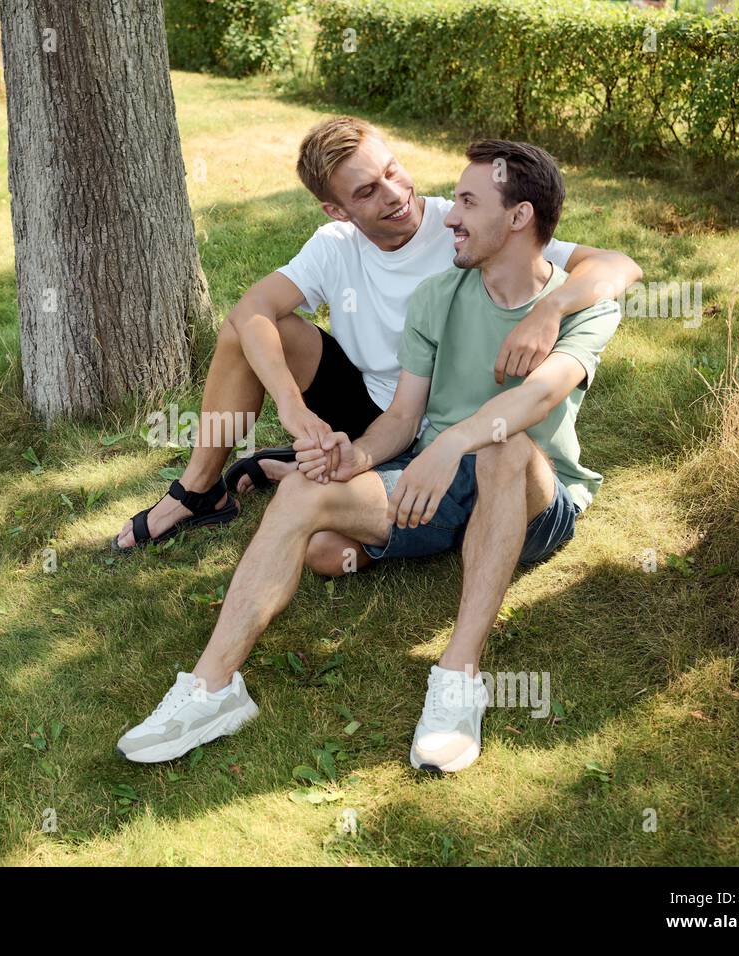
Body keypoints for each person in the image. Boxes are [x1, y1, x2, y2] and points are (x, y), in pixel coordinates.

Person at [117, 140, 622, 774]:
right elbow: (403, 418)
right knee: (305, 492)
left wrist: (454, 442)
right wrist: (349, 457)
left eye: (465, 202)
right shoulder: (438, 296)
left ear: (519, 218)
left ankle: (458, 678)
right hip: (438, 479)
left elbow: (539, 397)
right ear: (337, 209)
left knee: (503, 447)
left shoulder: (585, 307)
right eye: (366, 189)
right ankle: (211, 690)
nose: (447, 216)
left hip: (535, 495)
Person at [112, 116, 640, 551]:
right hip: (379, 410)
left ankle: (317, 471)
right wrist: (292, 407)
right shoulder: (334, 245)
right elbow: (252, 308)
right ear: (338, 210)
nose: (395, 195)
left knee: (330, 541)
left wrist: (550, 312)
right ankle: (200, 491)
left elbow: (619, 266)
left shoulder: (464, 225)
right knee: (246, 331)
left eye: (392, 171)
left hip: (450, 419)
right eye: (367, 191)